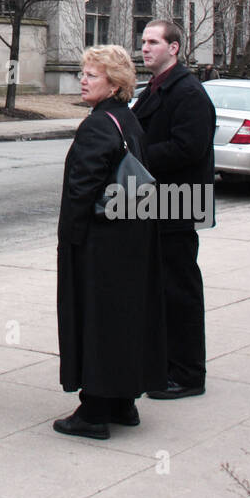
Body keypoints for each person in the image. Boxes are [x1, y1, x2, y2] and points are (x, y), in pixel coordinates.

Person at [55, 45, 166, 439]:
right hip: (129, 239)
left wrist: (68, 239)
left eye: (91, 74)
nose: (82, 80)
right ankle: (122, 401)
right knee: (122, 318)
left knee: (96, 320)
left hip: (100, 244)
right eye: (82, 73)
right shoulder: (126, 120)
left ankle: (95, 410)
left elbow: (81, 190)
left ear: (113, 82)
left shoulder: (98, 124)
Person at [132, 19, 216, 399]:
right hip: (156, 203)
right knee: (162, 290)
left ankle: (187, 374)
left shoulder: (189, 92)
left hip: (179, 204)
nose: (145, 47)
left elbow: (189, 148)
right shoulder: (154, 89)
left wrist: (135, 156)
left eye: (153, 42)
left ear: (174, 48)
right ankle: (167, 365)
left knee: (180, 291)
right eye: (144, 41)